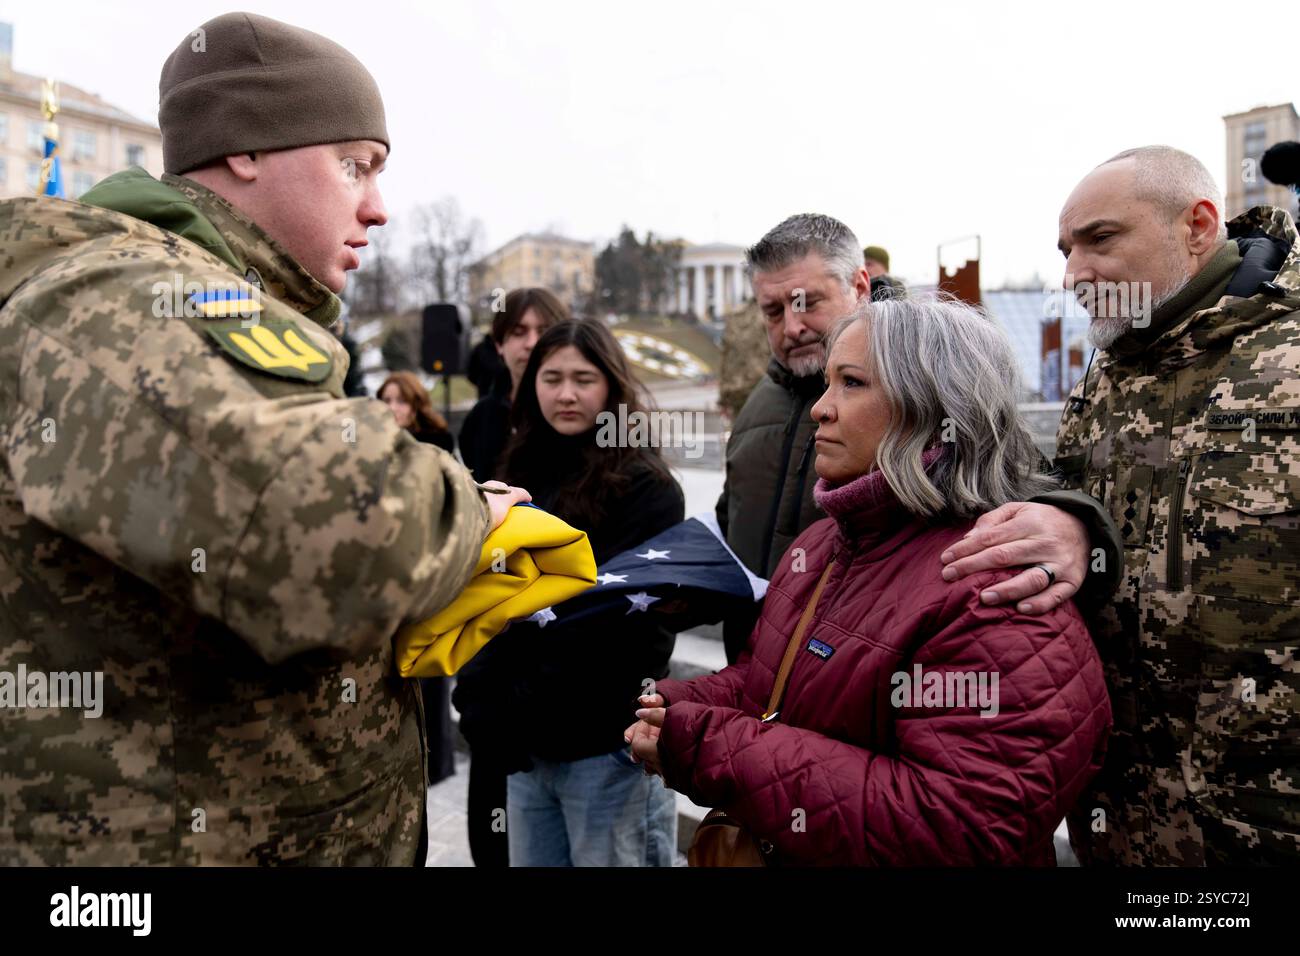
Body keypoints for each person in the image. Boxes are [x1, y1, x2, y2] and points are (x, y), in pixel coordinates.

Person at [0, 11, 529, 865]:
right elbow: (327, 527)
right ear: (245, 150)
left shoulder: (217, 299)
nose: (379, 206)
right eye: (354, 164)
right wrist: (467, 518)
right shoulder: (120, 290)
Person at [626, 297, 1112, 865]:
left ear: (934, 407)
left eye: (851, 383)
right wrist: (678, 705)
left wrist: (706, 744)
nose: (820, 410)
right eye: (828, 383)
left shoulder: (990, 588)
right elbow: (773, 686)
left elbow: (956, 829)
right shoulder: (824, 545)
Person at [1040, 145, 1300, 865]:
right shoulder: (1109, 377)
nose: (1074, 275)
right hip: (1122, 828)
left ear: (1198, 225)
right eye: (1066, 251)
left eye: (1100, 239)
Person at [718, 212, 1122, 664]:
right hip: (762, 673)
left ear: (858, 285)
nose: (791, 327)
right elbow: (733, 518)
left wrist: (1076, 526)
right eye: (773, 311)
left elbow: (1010, 475)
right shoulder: (757, 405)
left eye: (806, 302)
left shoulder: (930, 377)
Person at [454, 319, 684, 866]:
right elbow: (488, 592)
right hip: (528, 750)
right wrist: (484, 695)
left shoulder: (646, 487)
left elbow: (619, 629)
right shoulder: (517, 470)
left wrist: (514, 705)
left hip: (604, 748)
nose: (566, 394)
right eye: (551, 377)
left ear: (611, 386)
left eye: (584, 378)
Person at [459, 288, 568, 482]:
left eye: (544, 331)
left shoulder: (581, 415)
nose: (532, 343)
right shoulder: (480, 419)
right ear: (499, 344)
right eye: (518, 332)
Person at [380, 370, 455, 453]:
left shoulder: (436, 443)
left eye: (402, 401)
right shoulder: (372, 439)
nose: (392, 408)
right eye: (386, 401)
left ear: (416, 404)